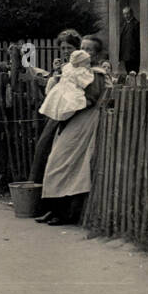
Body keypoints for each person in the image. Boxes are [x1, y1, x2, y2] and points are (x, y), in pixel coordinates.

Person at [39, 35, 112, 225]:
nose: (83, 52)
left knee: (66, 163)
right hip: (70, 119)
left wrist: (69, 106)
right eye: (82, 47)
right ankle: (53, 208)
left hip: (84, 120)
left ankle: (65, 213)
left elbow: (92, 98)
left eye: (89, 50)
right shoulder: (76, 71)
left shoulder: (96, 74)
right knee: (56, 161)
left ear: (96, 55)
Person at [29, 29, 83, 191]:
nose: (66, 52)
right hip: (57, 112)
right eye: (63, 48)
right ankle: (37, 189)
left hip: (73, 112)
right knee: (43, 148)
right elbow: (50, 92)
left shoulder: (80, 65)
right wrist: (55, 73)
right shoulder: (63, 67)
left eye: (69, 48)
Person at [38, 49, 94, 122]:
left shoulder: (67, 67)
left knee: (58, 104)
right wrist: (90, 74)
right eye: (87, 63)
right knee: (73, 102)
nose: (89, 66)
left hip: (60, 88)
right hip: (71, 89)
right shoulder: (80, 71)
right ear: (78, 64)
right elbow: (84, 83)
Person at [119, 5, 140, 75]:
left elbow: (137, 40)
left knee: (134, 71)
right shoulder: (124, 24)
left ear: (131, 13)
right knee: (128, 70)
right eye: (124, 14)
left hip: (133, 54)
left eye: (127, 13)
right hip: (126, 53)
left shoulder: (136, 24)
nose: (126, 16)